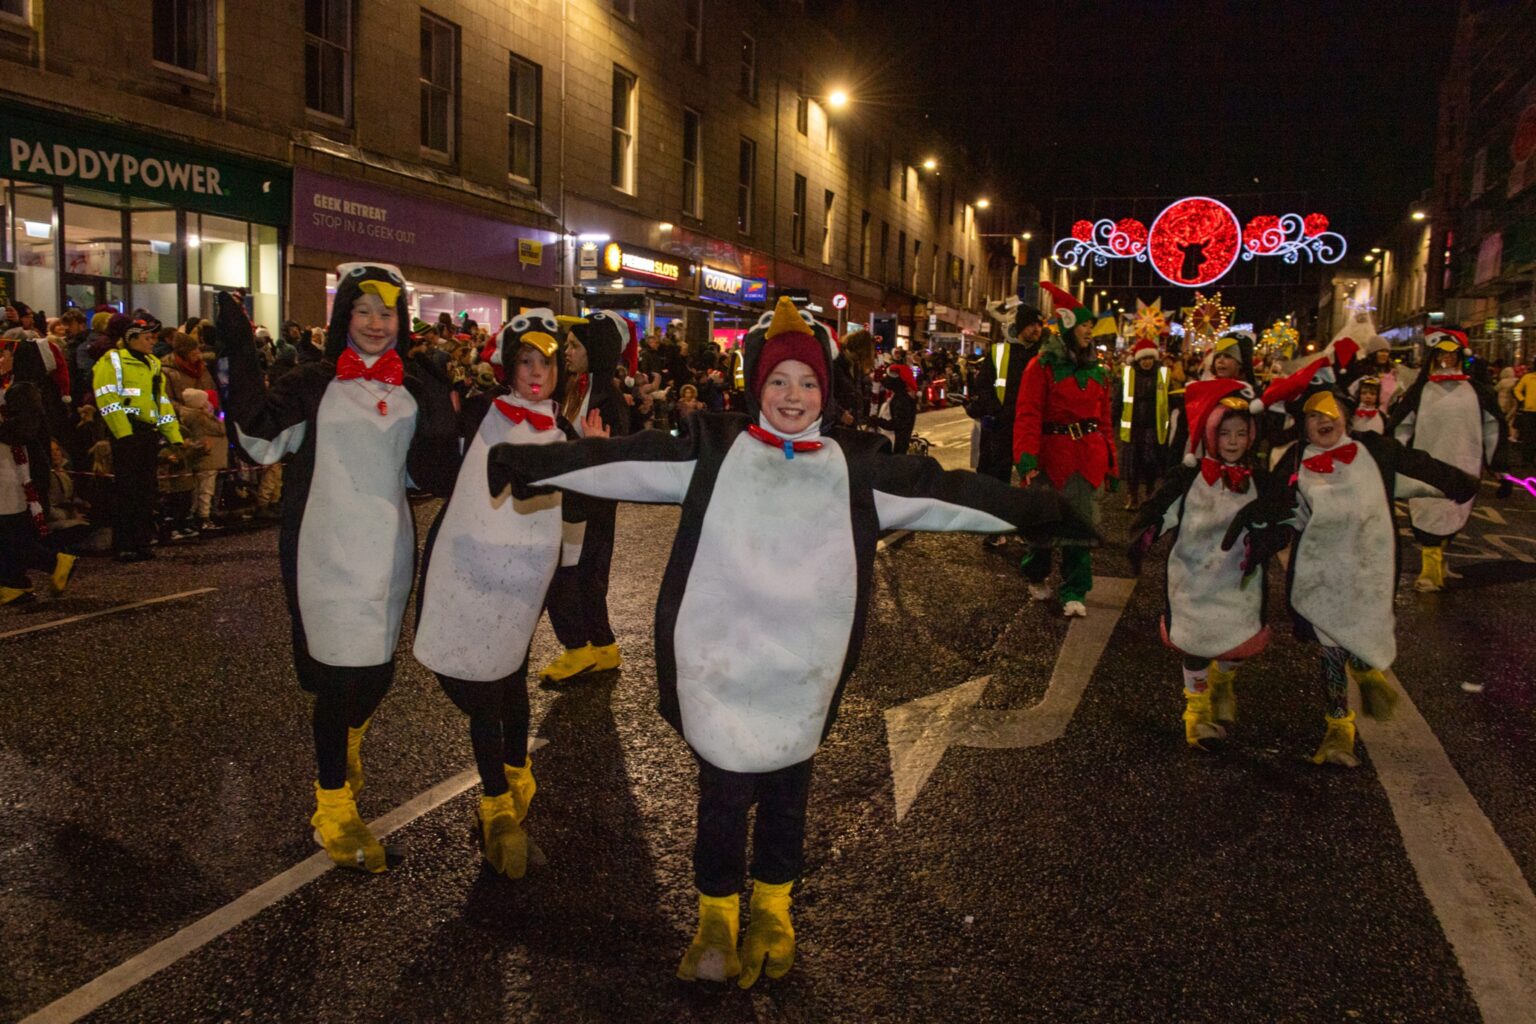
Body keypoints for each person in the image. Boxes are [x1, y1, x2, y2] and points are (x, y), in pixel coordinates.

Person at [485, 296, 1096, 988]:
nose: (792, 395)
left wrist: (1047, 514)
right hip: (724, 674)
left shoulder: (854, 468)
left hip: (800, 677)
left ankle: (774, 910)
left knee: (785, 800)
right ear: (755, 385)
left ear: (827, 391)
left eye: (807, 382)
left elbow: (952, 495)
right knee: (720, 800)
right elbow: (623, 462)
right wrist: (528, 464)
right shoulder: (715, 453)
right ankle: (715, 916)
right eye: (778, 381)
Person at [216, 266, 456, 873]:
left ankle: (345, 742)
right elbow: (256, 439)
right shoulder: (309, 384)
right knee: (337, 680)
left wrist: (442, 406)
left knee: (375, 674)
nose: (376, 325)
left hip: (390, 549)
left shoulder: (412, 386)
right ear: (343, 316)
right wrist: (241, 353)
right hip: (325, 550)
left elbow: (431, 474)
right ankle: (334, 808)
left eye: (388, 314)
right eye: (363, 311)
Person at [1229, 356, 1478, 766]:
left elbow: (1417, 476)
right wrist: (1255, 548)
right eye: (1312, 417)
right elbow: (1282, 514)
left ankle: (1365, 671)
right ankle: (1337, 727)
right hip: (1321, 575)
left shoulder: (1373, 453)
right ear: (1303, 427)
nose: (1323, 422)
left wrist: (1458, 486)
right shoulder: (1296, 464)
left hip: (1368, 575)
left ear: (1346, 416)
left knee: (1358, 636)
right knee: (1330, 651)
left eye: (1330, 413)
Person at [414, 312, 590, 879]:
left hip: (521, 580)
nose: (537, 374)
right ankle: (497, 798)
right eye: (526, 362)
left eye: (547, 363)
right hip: (469, 573)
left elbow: (570, 511)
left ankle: (510, 781)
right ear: (509, 368)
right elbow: (440, 463)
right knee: (481, 684)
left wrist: (564, 569)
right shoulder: (483, 417)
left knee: (510, 678)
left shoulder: (562, 433)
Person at [1129, 379, 1270, 747]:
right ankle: (1196, 714)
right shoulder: (1190, 478)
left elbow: (1279, 517)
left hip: (1238, 580)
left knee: (1236, 641)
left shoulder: (1259, 480)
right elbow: (1163, 511)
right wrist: (1146, 533)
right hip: (1192, 578)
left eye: (1241, 433)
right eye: (1226, 434)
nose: (1234, 442)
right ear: (1211, 435)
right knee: (1196, 645)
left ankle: (1224, 683)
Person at [538, 311, 631, 685]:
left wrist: (562, 430)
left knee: (571, 577)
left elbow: (606, 459)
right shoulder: (572, 388)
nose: (567, 351)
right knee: (582, 578)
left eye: (575, 345)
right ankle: (600, 646)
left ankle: (580, 647)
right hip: (570, 502)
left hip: (589, 506)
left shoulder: (609, 400)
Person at [1013, 282, 1116, 617]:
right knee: (1044, 527)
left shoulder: (1097, 370)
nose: (1090, 331)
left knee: (1081, 528)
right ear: (1070, 326)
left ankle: (1074, 590)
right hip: (1051, 457)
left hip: (1087, 459)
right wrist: (1026, 457)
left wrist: (1112, 464)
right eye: (1085, 325)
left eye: (1091, 326)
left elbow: (1105, 421)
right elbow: (1028, 413)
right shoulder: (1041, 366)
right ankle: (1035, 571)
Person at [1388, 328, 1506, 592]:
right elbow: (1402, 425)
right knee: (1429, 511)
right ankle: (1429, 571)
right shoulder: (1421, 391)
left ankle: (1440, 562)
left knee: (1455, 512)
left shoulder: (1477, 392)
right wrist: (1399, 456)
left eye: (1452, 356)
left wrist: (1497, 463)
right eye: (1441, 354)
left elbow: (1492, 427)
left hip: (1465, 460)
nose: (1447, 360)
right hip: (1427, 463)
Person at [92, 315, 183, 561]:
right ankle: (124, 544)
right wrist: (123, 433)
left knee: (146, 490)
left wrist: (174, 436)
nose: (153, 342)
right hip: (126, 434)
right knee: (127, 491)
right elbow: (106, 398)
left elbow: (161, 402)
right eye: (148, 338)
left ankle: (141, 541)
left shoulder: (153, 364)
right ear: (131, 338)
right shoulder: (112, 361)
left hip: (147, 433)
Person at [1, 339, 78, 605]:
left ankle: (55, 562)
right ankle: (15, 583)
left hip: (21, 474)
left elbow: (23, 430)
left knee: (11, 532)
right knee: (12, 532)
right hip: (14, 472)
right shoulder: (17, 388)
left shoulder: (22, 390)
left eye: (5, 355)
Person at [969, 305, 1044, 486]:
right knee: (993, 479)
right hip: (1000, 426)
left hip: (1030, 427)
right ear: (1020, 326)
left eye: (1040, 325)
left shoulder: (1044, 355)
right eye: (1032, 324)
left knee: (1035, 479)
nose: (1037, 329)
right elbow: (983, 386)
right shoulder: (999, 352)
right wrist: (997, 411)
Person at [1113, 338, 1169, 510]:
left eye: (1150, 358)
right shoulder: (1129, 375)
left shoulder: (1163, 375)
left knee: (1151, 464)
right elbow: (1118, 400)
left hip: (1153, 428)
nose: (1147, 362)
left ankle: (1150, 495)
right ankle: (1133, 496)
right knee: (1133, 465)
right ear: (1138, 360)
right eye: (1143, 359)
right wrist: (1112, 420)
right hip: (1133, 428)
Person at [178, 388, 226, 532]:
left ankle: (194, 517)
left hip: (200, 457)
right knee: (206, 490)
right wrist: (213, 416)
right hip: (206, 458)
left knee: (198, 490)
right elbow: (221, 429)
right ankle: (203, 518)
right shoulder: (200, 417)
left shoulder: (187, 415)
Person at [1514, 362, 1536, 468]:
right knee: (1528, 436)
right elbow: (1517, 389)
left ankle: (1531, 459)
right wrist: (1522, 400)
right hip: (1529, 411)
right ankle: (1526, 459)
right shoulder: (1528, 377)